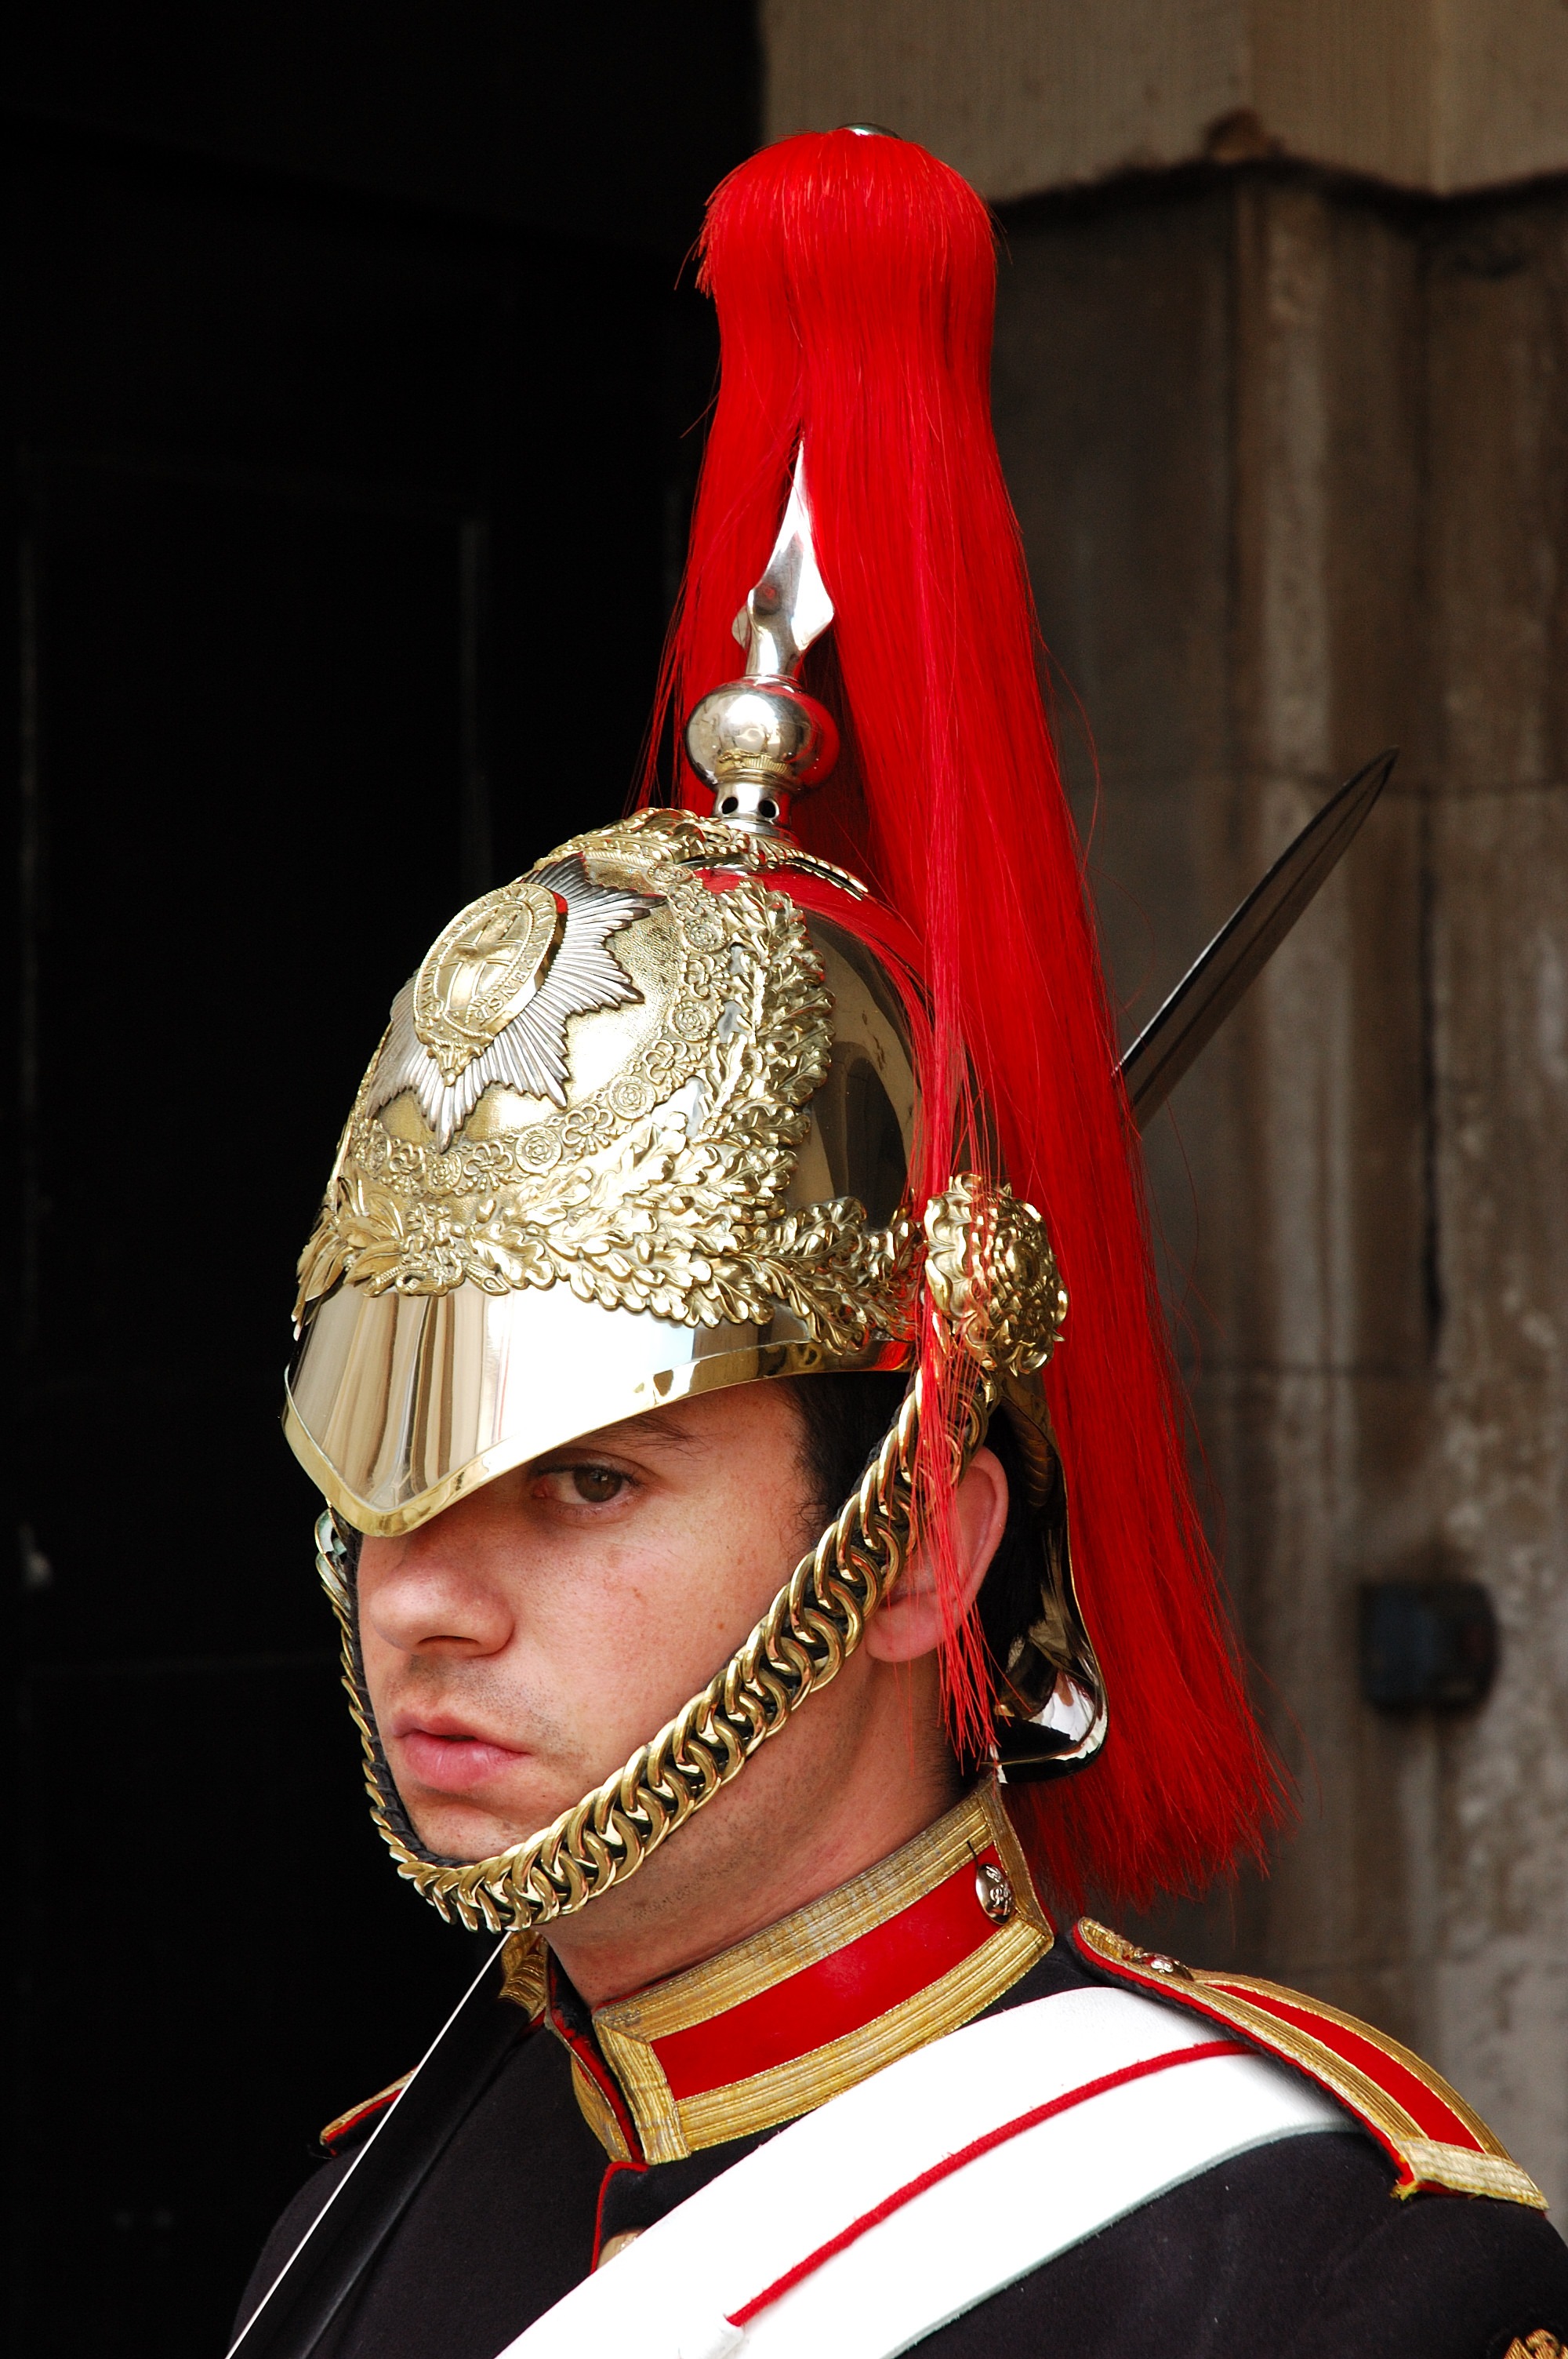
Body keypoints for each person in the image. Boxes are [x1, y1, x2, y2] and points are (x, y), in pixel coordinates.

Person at [234, 129, 1568, 2358]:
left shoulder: (1327, 2281)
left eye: (589, 1480)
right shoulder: (360, 2214)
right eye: (392, 1467)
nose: (424, 1596)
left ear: (923, 1549)